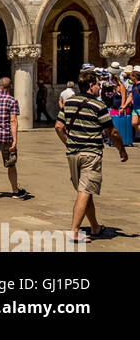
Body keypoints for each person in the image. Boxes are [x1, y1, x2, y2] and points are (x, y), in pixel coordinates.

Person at [56, 68, 128, 242]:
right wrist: (121, 149)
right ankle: (74, 231)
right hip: (91, 154)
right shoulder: (98, 105)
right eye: (97, 84)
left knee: (84, 191)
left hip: (72, 154)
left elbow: (59, 126)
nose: (99, 87)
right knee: (85, 191)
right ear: (90, 85)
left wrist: (69, 142)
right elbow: (112, 132)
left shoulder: (69, 102)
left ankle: (95, 226)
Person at [0, 77, 30, 202]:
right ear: (9, 87)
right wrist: (15, 140)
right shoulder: (11, 101)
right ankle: (15, 191)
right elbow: (13, 120)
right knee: (11, 164)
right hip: (6, 136)